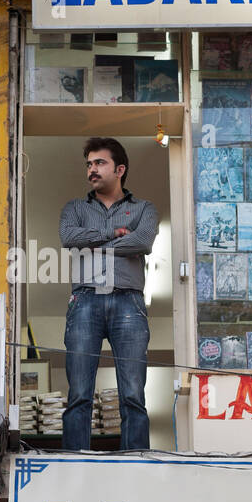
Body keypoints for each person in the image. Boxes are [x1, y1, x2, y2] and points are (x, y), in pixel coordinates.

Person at [59, 137, 158, 451]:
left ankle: (136, 461)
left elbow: (142, 243)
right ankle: (75, 461)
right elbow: (68, 238)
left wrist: (94, 244)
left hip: (128, 299)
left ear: (120, 169)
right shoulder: (74, 208)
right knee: (78, 395)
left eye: (99, 162)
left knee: (133, 394)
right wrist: (111, 234)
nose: (92, 169)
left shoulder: (144, 209)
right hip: (84, 299)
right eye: (89, 163)